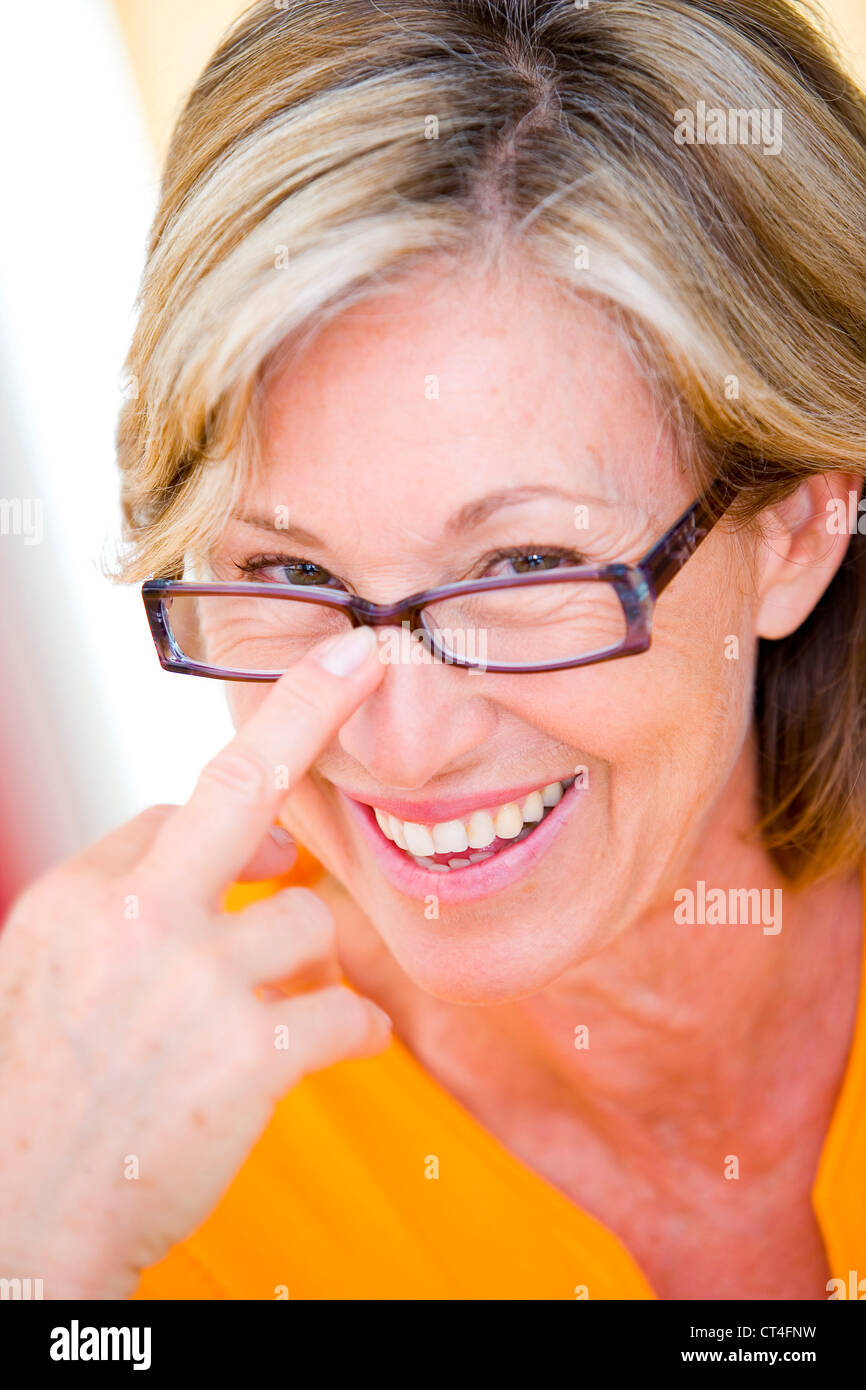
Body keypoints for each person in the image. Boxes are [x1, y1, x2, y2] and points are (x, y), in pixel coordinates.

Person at [2, 0, 866, 1300]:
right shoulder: (99, 1128)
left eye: (523, 567)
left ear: (793, 533)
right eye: (291, 573)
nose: (399, 743)